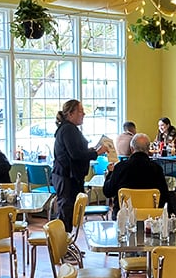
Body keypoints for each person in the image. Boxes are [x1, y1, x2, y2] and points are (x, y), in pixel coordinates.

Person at [53, 99, 107, 231]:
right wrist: (96, 153)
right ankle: (63, 247)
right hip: (66, 178)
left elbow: (76, 151)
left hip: (68, 177)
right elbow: (75, 154)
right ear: (70, 114)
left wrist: (92, 150)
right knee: (66, 213)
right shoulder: (68, 130)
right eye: (80, 111)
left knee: (69, 213)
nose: (84, 114)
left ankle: (66, 246)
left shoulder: (69, 129)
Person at [102, 133, 169, 216]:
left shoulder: (120, 167)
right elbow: (164, 195)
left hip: (124, 215)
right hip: (150, 216)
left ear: (132, 149)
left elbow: (108, 192)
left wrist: (110, 173)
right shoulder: (157, 168)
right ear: (148, 149)